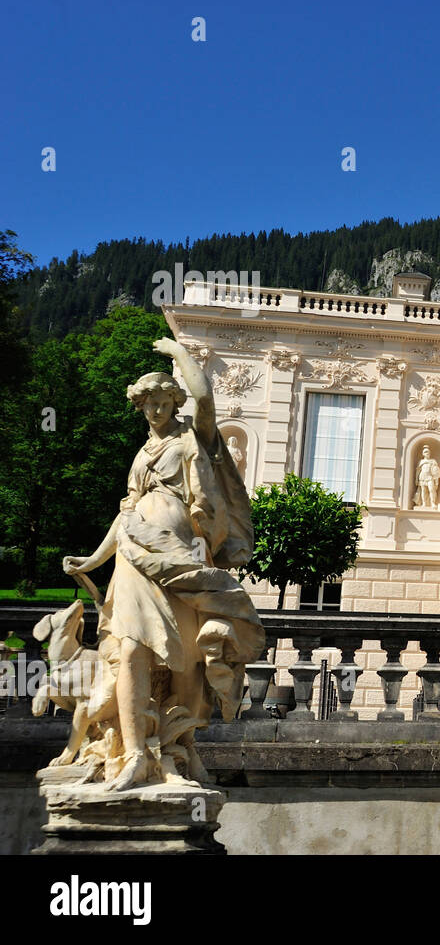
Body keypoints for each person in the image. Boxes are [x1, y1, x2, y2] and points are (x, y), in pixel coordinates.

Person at [63, 338, 264, 791]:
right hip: (135, 558)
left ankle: (180, 748)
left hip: (185, 556)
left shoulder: (194, 437)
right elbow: (126, 515)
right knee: (131, 648)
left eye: (162, 402)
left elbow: (206, 396)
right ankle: (134, 755)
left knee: (188, 658)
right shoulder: (140, 456)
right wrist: (94, 560)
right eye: (147, 404)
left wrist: (179, 353)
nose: (154, 411)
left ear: (175, 401)